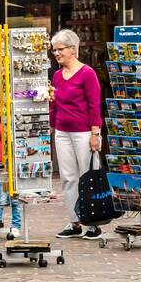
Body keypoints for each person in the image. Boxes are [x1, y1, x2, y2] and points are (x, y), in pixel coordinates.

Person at [48, 29, 103, 239]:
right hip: (62, 133)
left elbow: (94, 105)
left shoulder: (87, 73)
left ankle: (93, 224)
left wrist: (95, 133)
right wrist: (52, 126)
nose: (56, 54)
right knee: (68, 178)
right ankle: (74, 222)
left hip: (83, 133)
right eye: (54, 50)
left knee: (87, 177)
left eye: (60, 49)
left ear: (73, 49)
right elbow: (53, 104)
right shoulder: (57, 75)